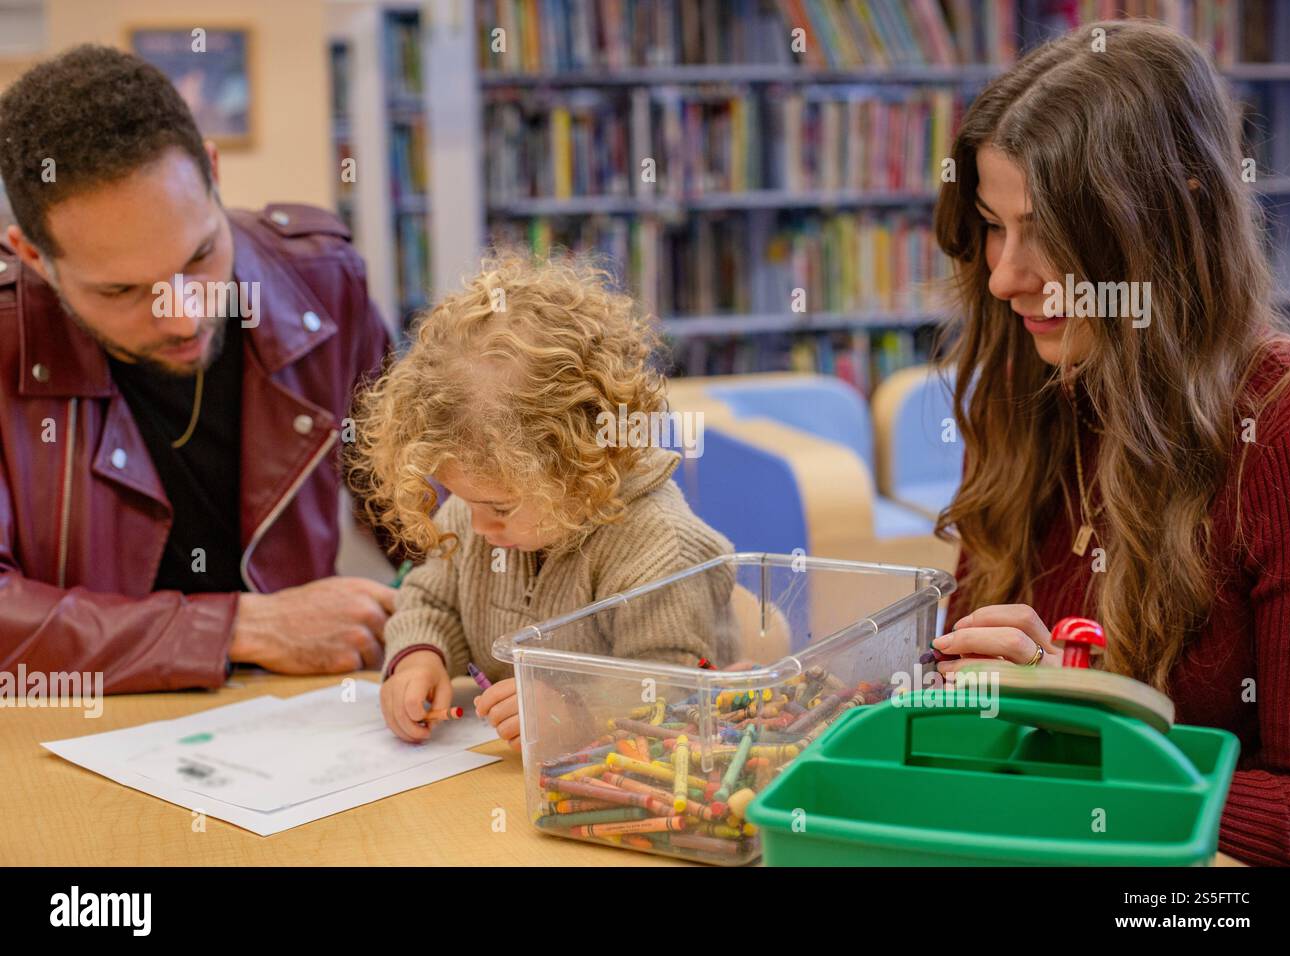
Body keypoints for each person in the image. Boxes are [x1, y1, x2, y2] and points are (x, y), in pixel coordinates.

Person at [931, 20, 1290, 865]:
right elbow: (979, 731)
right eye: (994, 224)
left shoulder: (1281, 430)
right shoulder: (1022, 396)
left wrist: (1087, 743)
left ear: (1177, 217)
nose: (1005, 276)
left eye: (1051, 233)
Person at [0, 45, 397, 693]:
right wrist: (240, 627)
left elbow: (413, 505)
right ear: (33, 259)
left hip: (301, 721)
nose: (184, 317)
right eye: (121, 291)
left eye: (200, 256)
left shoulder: (324, 282)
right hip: (79, 736)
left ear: (213, 172)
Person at [351, 253, 737, 748]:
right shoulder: (480, 512)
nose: (476, 525)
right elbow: (430, 597)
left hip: (648, 777)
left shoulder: (660, 545)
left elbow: (674, 685)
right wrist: (418, 654)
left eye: (500, 507)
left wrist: (576, 712)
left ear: (582, 467)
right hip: (511, 772)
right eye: (462, 499)